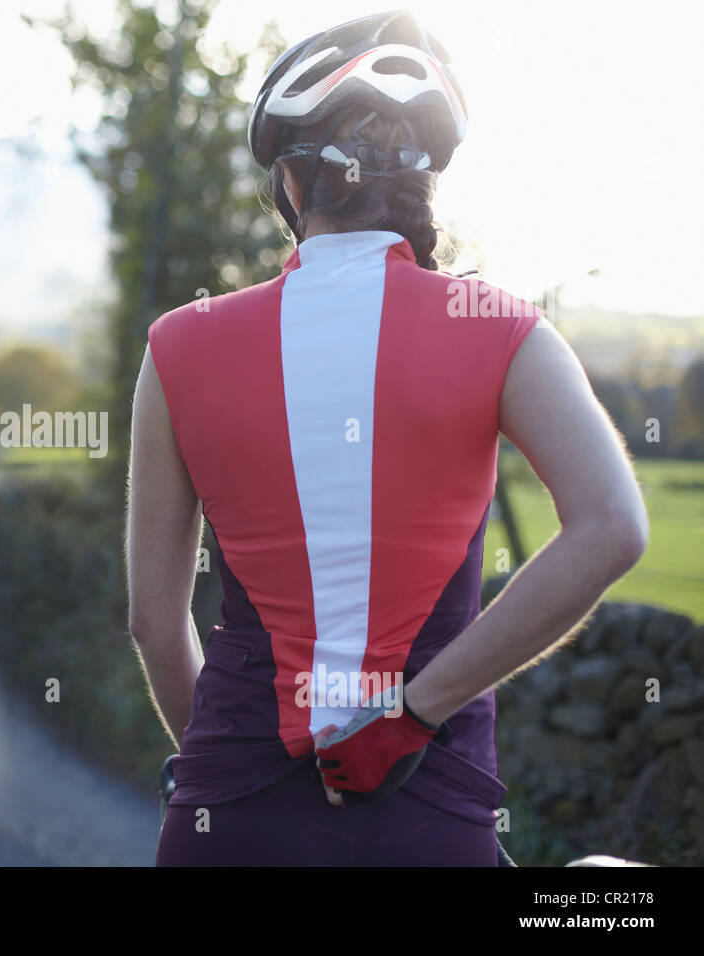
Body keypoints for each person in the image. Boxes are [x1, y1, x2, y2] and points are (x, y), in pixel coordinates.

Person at [126, 9, 649, 866]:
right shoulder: (503, 330)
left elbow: (155, 623)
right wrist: (411, 716)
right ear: (425, 187)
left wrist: (222, 769)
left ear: (293, 186)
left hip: (229, 821)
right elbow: (612, 528)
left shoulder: (180, 344)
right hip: (426, 817)